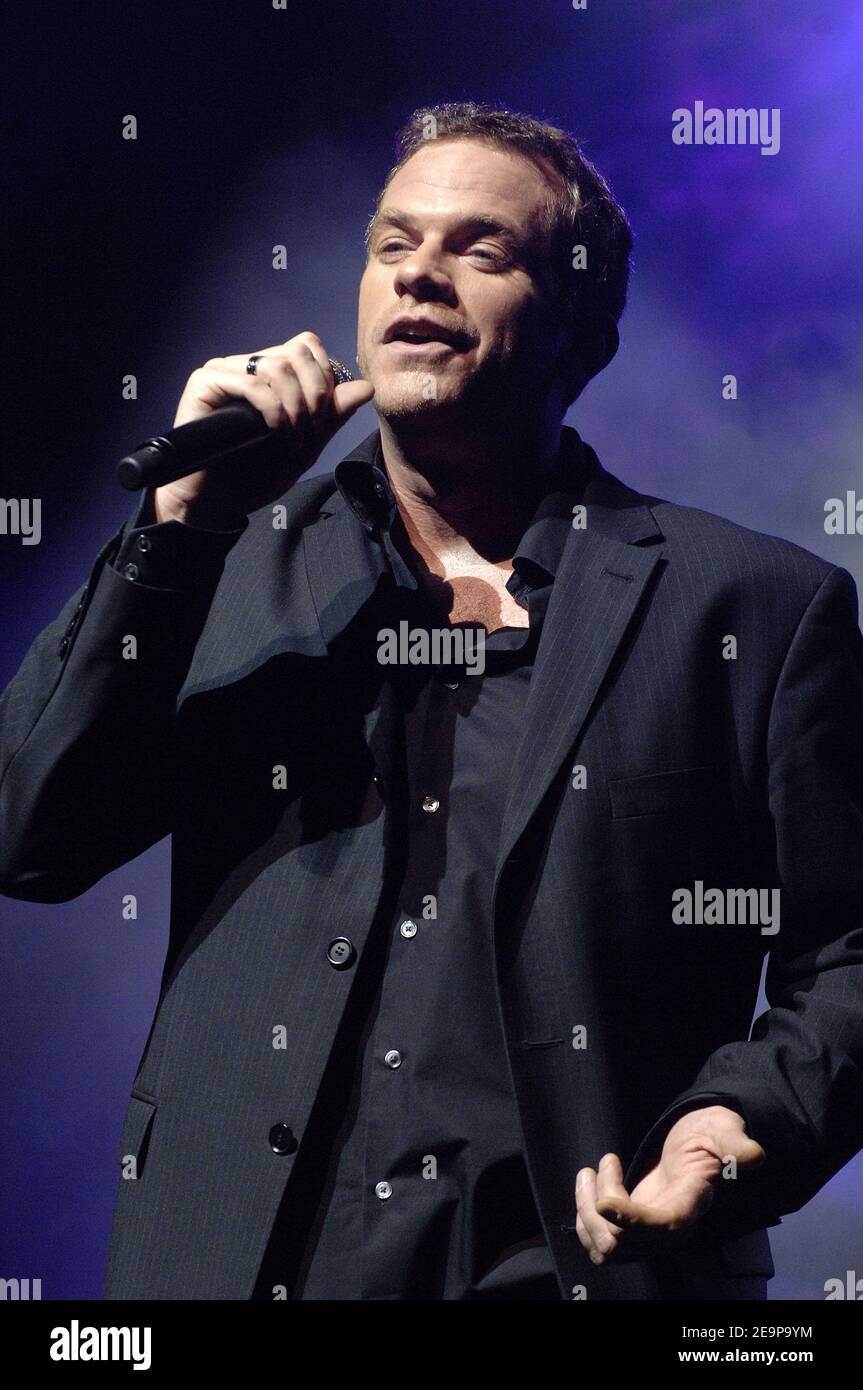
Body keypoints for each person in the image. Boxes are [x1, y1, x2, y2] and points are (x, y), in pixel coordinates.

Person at [2, 101, 862, 1302]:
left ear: (580, 332)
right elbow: (29, 837)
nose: (419, 273)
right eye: (393, 242)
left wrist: (728, 1133)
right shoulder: (224, 564)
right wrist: (176, 529)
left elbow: (848, 953)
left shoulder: (752, 608)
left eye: (481, 250)